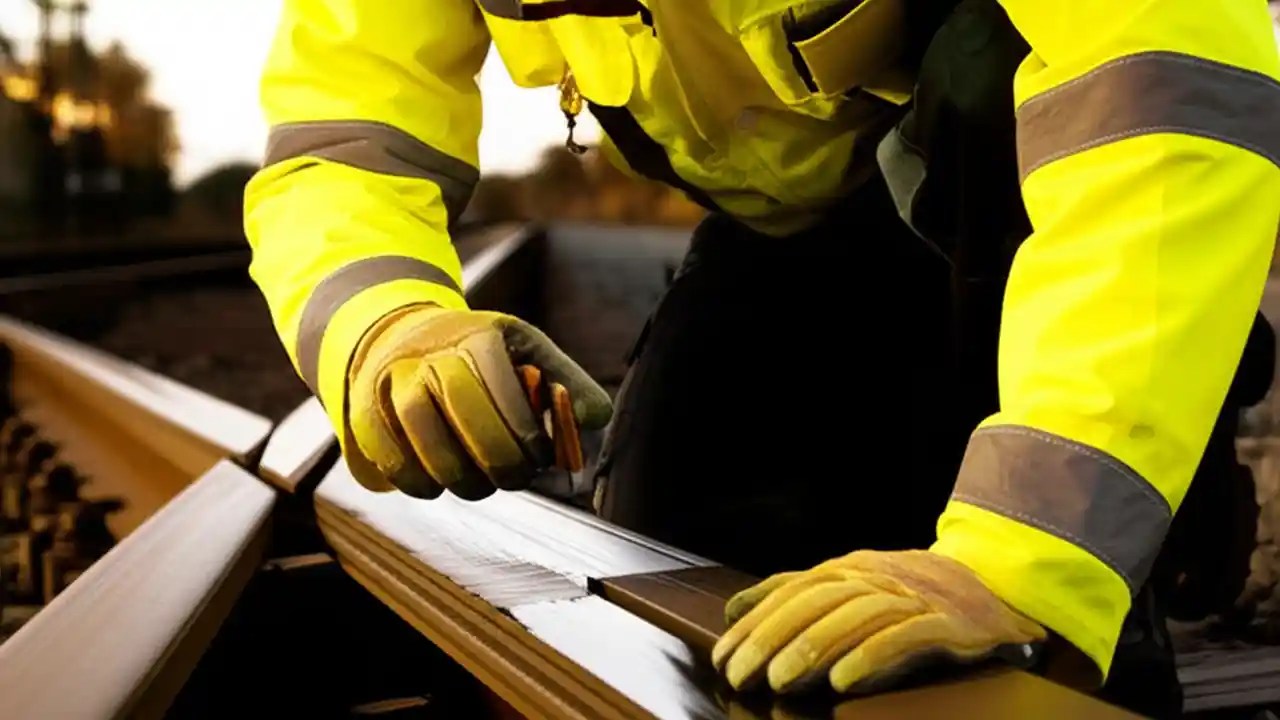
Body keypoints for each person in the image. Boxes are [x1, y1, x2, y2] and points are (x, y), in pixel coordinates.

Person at [243, 1, 1280, 716]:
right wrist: (388, 327)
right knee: (667, 564)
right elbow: (341, 149)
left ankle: (1149, 517)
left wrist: (1031, 557)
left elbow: (1157, 96)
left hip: (1000, 205)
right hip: (781, 225)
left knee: (981, 83)